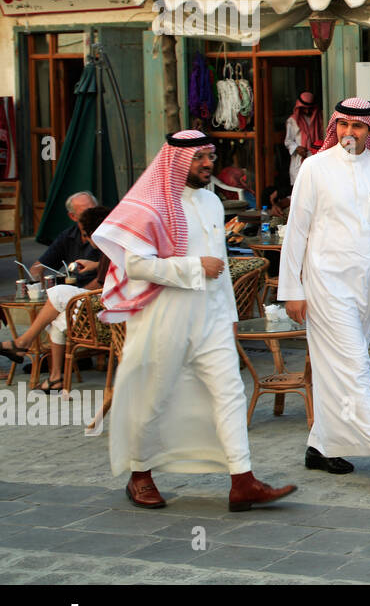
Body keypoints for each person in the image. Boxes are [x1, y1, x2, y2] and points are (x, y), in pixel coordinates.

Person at [92, 130, 296, 512]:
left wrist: (232, 317)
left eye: (210, 157)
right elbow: (134, 264)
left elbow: (219, 268)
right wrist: (192, 267)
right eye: (198, 157)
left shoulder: (213, 203)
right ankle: (140, 475)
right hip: (163, 316)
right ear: (176, 160)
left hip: (212, 317)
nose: (207, 164)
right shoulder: (149, 204)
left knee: (230, 392)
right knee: (154, 395)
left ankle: (242, 480)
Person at [279, 98, 370, 484]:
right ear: (334, 127)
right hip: (323, 282)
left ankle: (321, 446)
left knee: (334, 366)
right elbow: (297, 230)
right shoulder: (314, 168)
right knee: (356, 363)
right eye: (343, 126)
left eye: (358, 128)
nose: (349, 134)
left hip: (367, 285)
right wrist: (292, 289)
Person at [1, 205, 112, 390]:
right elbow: (40, 264)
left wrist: (80, 291)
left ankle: (22, 343)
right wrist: (95, 265)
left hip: (106, 312)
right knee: (59, 317)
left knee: (60, 294)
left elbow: (103, 285)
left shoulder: (111, 248)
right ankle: (55, 378)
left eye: (86, 235)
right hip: (99, 306)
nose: (85, 239)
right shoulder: (109, 248)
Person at [31, 191, 101, 288]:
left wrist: (79, 297)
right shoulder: (68, 235)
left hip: (93, 294)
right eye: (84, 214)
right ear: (72, 216)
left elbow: (106, 276)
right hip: (72, 291)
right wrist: (40, 291)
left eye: (93, 211)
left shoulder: (105, 236)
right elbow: (36, 268)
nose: (91, 217)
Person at [284, 91, 323, 186]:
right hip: (299, 159)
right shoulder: (292, 121)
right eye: (304, 108)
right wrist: (297, 148)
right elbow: (288, 141)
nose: (307, 111)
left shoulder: (320, 118)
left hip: (316, 157)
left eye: (309, 109)